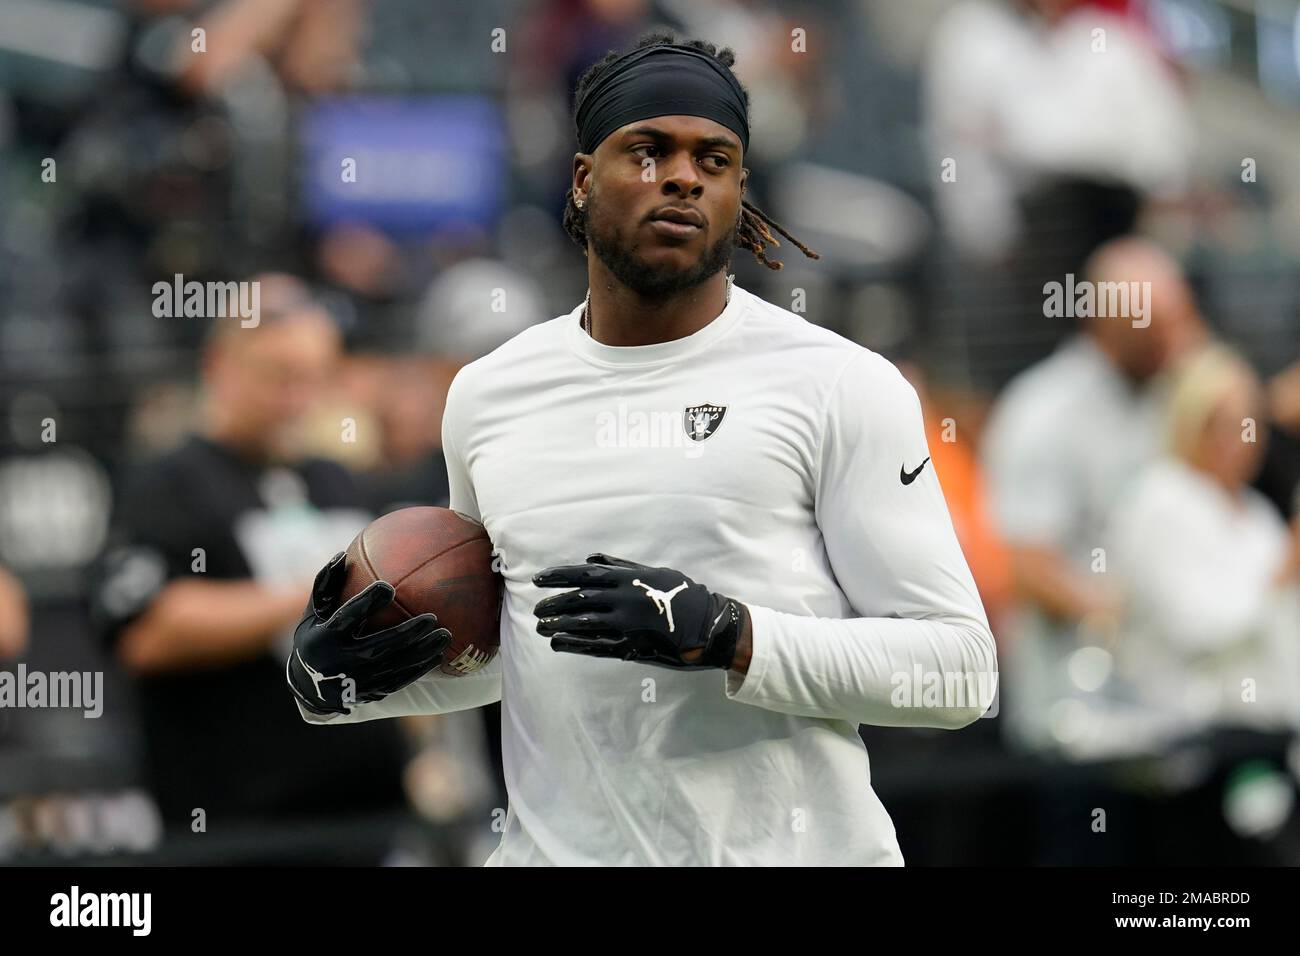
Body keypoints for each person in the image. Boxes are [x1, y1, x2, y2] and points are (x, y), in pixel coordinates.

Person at [288, 32, 997, 866]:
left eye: (716, 159)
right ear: (584, 179)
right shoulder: (488, 394)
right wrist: (337, 686)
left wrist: (729, 634)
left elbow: (959, 672)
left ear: (740, 191)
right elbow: (521, 646)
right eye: (650, 150)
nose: (685, 176)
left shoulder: (840, 383)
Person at [92, 276, 409, 847]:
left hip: (369, 816)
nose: (297, 399)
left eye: (313, 379)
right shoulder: (170, 482)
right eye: (277, 376)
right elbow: (147, 631)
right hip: (236, 824)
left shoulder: (337, 480)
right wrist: (324, 595)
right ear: (220, 366)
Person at [981, 236, 1205, 752]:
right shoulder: (1043, 412)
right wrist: (1134, 618)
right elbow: (1028, 565)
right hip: (1075, 709)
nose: (1173, 342)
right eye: (1157, 326)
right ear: (1109, 323)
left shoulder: (1165, 397)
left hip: (1167, 705)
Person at [1106, 345, 1300, 734]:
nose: (1240, 440)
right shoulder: (1160, 498)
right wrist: (1283, 573)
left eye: (1249, 423)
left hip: (1270, 726)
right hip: (1190, 734)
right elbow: (1195, 624)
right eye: (1222, 424)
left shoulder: (1257, 515)